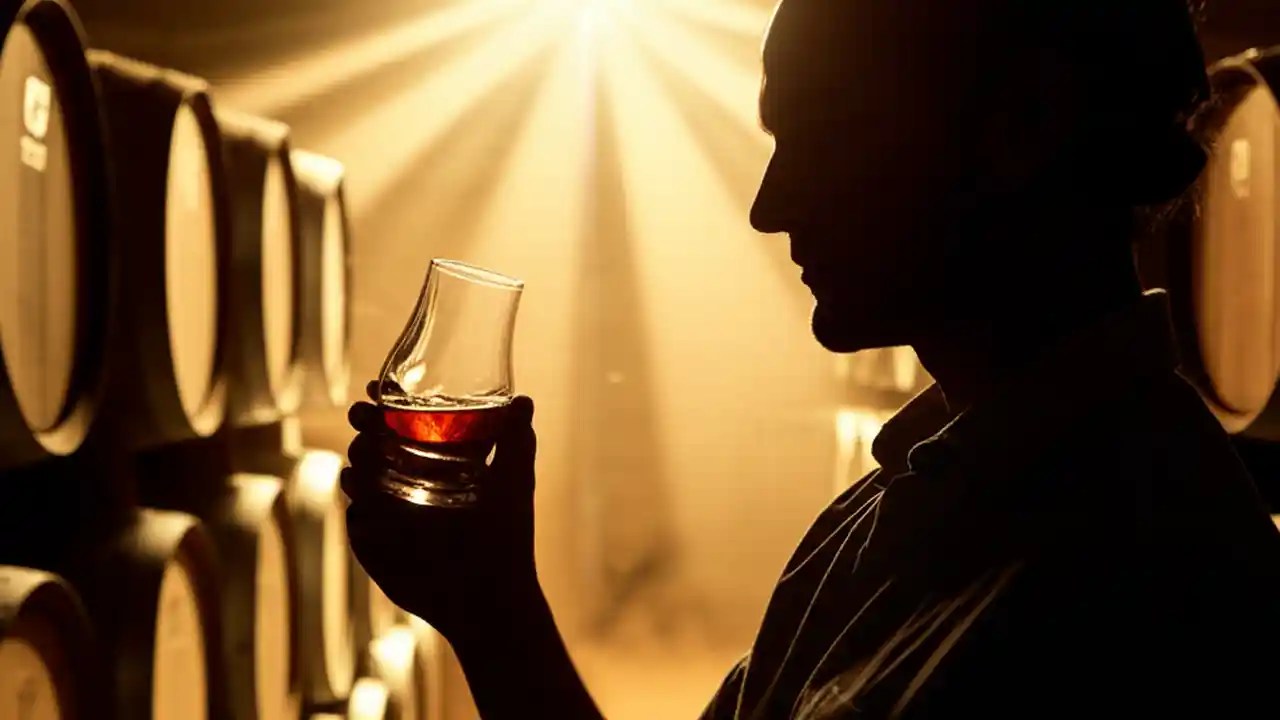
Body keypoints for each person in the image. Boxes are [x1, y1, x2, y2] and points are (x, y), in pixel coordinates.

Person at [343, 0, 1280, 717]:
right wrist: (491, 605)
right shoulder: (900, 498)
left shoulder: (1138, 582)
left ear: (1022, 126)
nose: (770, 203)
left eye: (822, 133)